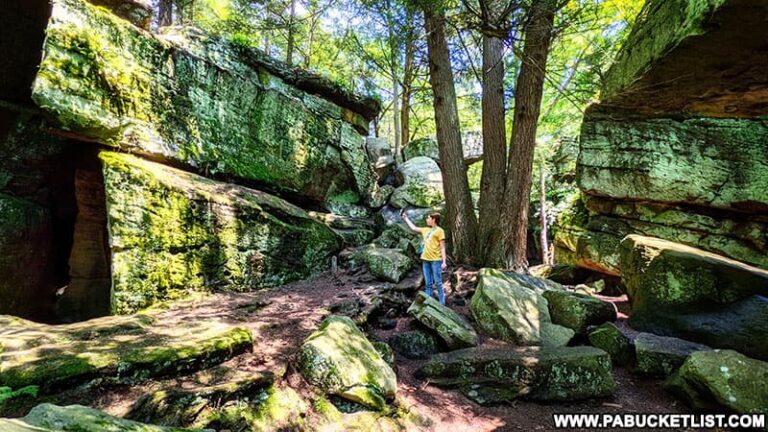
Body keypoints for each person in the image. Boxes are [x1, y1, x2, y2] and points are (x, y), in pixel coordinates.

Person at [401, 211, 447, 305]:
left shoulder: (440, 231)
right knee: (428, 283)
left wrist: (444, 262)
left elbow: (442, 247)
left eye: (428, 218)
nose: (427, 219)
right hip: (425, 260)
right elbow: (413, 228)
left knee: (438, 283)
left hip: (436, 260)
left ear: (433, 219)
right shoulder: (425, 230)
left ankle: (442, 303)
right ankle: (428, 302)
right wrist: (405, 217)